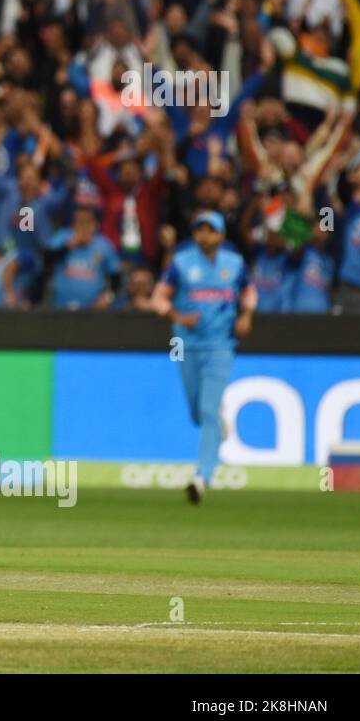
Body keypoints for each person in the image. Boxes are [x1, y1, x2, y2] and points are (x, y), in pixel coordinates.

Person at [151, 211, 257, 504]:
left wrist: (246, 316)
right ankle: (216, 425)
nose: (205, 235)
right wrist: (178, 316)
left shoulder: (233, 264)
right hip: (185, 344)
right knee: (197, 412)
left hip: (220, 345)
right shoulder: (181, 264)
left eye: (211, 230)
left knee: (209, 409)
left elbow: (249, 292)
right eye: (200, 230)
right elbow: (158, 297)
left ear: (221, 235)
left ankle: (202, 477)